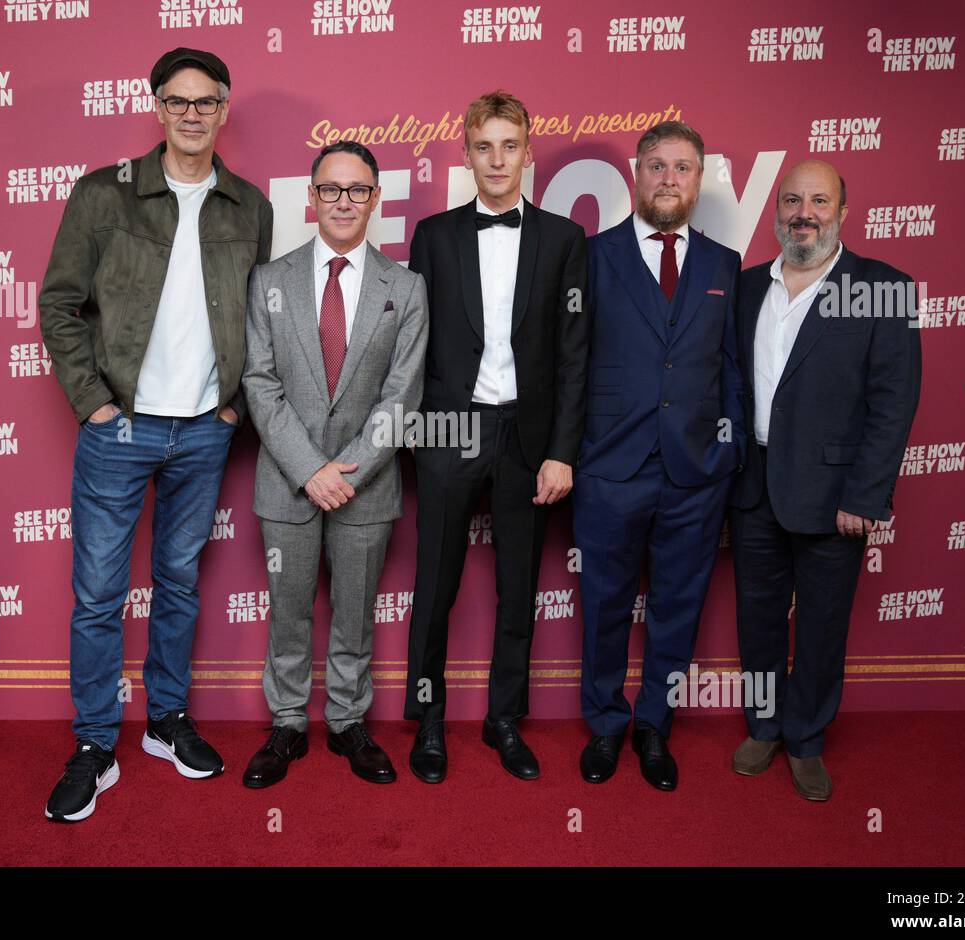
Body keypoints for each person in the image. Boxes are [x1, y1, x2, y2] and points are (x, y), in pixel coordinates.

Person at [39, 47, 273, 822]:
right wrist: (94, 404)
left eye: (206, 101)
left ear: (224, 109)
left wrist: (233, 406)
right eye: (178, 101)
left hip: (206, 429)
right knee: (99, 594)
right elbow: (59, 303)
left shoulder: (250, 206)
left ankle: (167, 721)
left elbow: (257, 318)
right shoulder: (104, 195)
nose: (193, 114)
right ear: (157, 108)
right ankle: (95, 743)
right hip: (121, 429)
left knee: (177, 583)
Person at [403, 90, 588, 783]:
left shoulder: (565, 240)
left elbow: (575, 355)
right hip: (450, 433)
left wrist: (562, 450)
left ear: (528, 154)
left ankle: (504, 718)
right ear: (467, 153)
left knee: (518, 590)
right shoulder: (433, 236)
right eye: (485, 146)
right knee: (435, 588)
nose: (497, 159)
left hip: (529, 440)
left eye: (510, 146)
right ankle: (427, 718)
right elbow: (412, 348)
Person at [729, 159, 920, 801]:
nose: (802, 212)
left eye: (818, 200)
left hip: (835, 496)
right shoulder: (747, 285)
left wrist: (865, 496)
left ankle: (806, 738)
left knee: (821, 623)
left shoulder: (881, 287)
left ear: (842, 211)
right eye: (790, 200)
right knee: (756, 619)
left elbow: (894, 402)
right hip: (752, 485)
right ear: (777, 211)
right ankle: (763, 724)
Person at [239, 141, 427, 788]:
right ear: (311, 198)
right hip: (288, 484)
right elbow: (259, 384)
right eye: (331, 189)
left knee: (355, 613)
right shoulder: (269, 281)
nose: (344, 201)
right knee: (287, 613)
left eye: (357, 190)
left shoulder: (405, 288)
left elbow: (403, 394)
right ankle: (287, 723)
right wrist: (308, 469)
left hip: (365, 489)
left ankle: (348, 721)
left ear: (375, 199)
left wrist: (346, 470)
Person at [576, 121, 745, 791]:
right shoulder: (591, 257)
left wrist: (726, 461)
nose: (669, 178)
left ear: (699, 181)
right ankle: (605, 724)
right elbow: (572, 365)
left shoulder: (723, 265)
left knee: (678, 608)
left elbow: (731, 372)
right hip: (611, 470)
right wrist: (577, 454)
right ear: (636, 175)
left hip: (696, 476)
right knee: (605, 606)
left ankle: (654, 726)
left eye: (682, 167)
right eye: (656, 166)